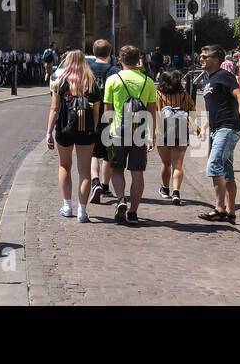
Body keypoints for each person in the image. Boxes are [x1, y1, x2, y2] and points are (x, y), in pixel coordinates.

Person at [198, 44, 240, 224]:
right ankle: (231, 211)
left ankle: (219, 208)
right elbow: (215, 106)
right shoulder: (209, 79)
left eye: (204, 56)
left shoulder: (225, 76)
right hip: (217, 129)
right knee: (227, 171)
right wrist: (206, 125)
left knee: (214, 164)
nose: (201, 59)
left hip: (227, 128)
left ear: (215, 59)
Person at [102, 45, 158, 225]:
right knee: (137, 172)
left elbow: (107, 108)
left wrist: (108, 131)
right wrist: (152, 135)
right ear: (139, 59)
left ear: (120, 59)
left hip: (117, 131)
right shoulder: (148, 81)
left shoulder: (113, 80)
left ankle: (120, 199)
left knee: (117, 169)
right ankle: (133, 211)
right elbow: (151, 110)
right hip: (139, 132)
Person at [46, 50, 100, 221]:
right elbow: (97, 111)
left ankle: (67, 206)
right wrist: (94, 127)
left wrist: (48, 132)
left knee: (64, 166)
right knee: (84, 172)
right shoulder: (91, 82)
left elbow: (54, 109)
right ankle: (82, 212)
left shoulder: (60, 82)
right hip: (86, 130)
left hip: (64, 128)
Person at [87, 39, 121, 205]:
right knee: (108, 155)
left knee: (93, 154)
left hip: (89, 117)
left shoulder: (87, 69)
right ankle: (106, 186)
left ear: (94, 52)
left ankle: (95, 182)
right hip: (110, 117)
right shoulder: (115, 71)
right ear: (109, 52)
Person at [154, 67, 195, 205]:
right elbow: (192, 110)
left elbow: (154, 113)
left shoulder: (158, 95)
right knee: (178, 164)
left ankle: (165, 190)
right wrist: (198, 128)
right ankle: (176, 192)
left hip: (162, 132)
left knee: (165, 163)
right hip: (181, 131)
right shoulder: (184, 95)